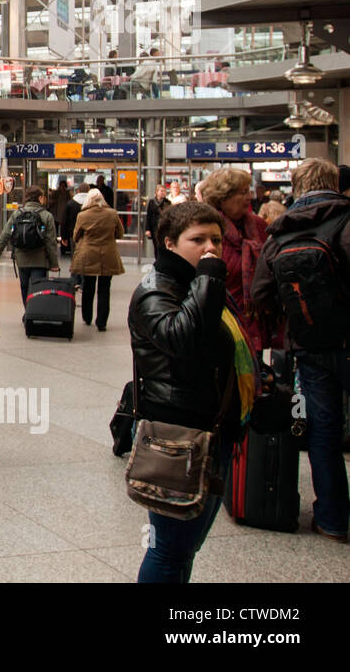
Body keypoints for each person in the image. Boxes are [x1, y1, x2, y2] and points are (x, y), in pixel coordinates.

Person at [131, 201, 250, 583]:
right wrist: (210, 278)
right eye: (196, 239)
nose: (209, 247)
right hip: (178, 438)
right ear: (169, 243)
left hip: (210, 431)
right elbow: (183, 338)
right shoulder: (156, 292)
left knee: (184, 550)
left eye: (215, 238)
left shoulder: (196, 283)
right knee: (169, 550)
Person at [250, 158, 350, 543]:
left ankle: (332, 518)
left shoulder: (280, 233)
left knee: (322, 431)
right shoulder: (346, 220)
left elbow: (261, 294)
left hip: (307, 344)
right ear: (334, 183)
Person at [198, 168, 270, 355]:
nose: (249, 197)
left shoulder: (259, 226)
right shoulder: (204, 228)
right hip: (219, 323)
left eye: (249, 191)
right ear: (223, 197)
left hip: (253, 324)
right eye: (243, 192)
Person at [0, 185, 61, 307]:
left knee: (24, 288)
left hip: (22, 259)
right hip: (40, 260)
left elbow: (5, 235)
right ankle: (33, 313)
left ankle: (27, 311)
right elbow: (51, 242)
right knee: (37, 289)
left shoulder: (17, 214)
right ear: (40, 198)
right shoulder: (46, 216)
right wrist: (54, 264)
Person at [70, 188, 125, 331]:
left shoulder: (83, 215)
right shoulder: (112, 214)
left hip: (88, 254)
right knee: (104, 289)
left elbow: (75, 236)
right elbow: (120, 233)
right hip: (108, 254)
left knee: (88, 287)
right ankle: (102, 322)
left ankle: (87, 317)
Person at [60, 182, 88, 256]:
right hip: (89, 234)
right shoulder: (92, 203)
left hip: (74, 234)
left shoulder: (71, 203)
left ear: (78, 191)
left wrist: (64, 236)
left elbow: (65, 221)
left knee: (75, 256)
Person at [145, 184, 168, 260]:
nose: (162, 192)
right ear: (157, 192)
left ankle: (162, 261)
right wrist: (147, 229)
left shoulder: (167, 202)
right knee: (156, 246)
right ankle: (157, 260)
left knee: (163, 245)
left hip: (163, 227)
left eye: (164, 191)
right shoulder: (152, 202)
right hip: (154, 227)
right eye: (161, 191)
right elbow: (148, 216)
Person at [49, 179, 72, 248]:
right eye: (61, 186)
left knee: (64, 231)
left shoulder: (68, 194)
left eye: (64, 186)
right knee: (55, 229)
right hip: (56, 214)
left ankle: (63, 245)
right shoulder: (55, 193)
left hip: (64, 215)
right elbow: (51, 202)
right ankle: (55, 242)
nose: (62, 188)